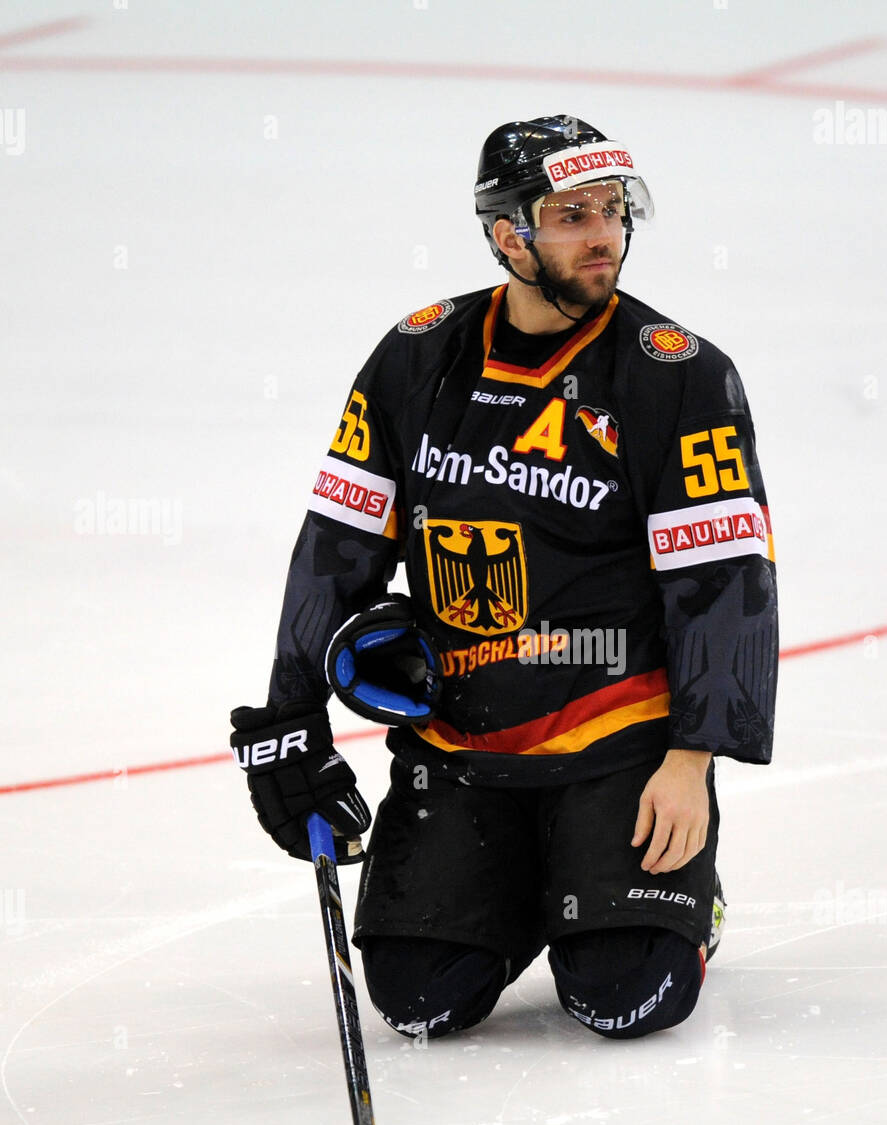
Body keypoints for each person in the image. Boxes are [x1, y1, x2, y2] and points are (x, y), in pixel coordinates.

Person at [230, 115, 778, 1041]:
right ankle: (538, 881)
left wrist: (693, 758)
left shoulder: (675, 376)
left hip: (616, 738)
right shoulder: (417, 355)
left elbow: (723, 578)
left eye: (610, 209)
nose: (602, 233)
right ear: (506, 234)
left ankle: (675, 905)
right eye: (571, 215)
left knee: (624, 994)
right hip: (461, 744)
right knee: (418, 999)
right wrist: (289, 717)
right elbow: (338, 542)